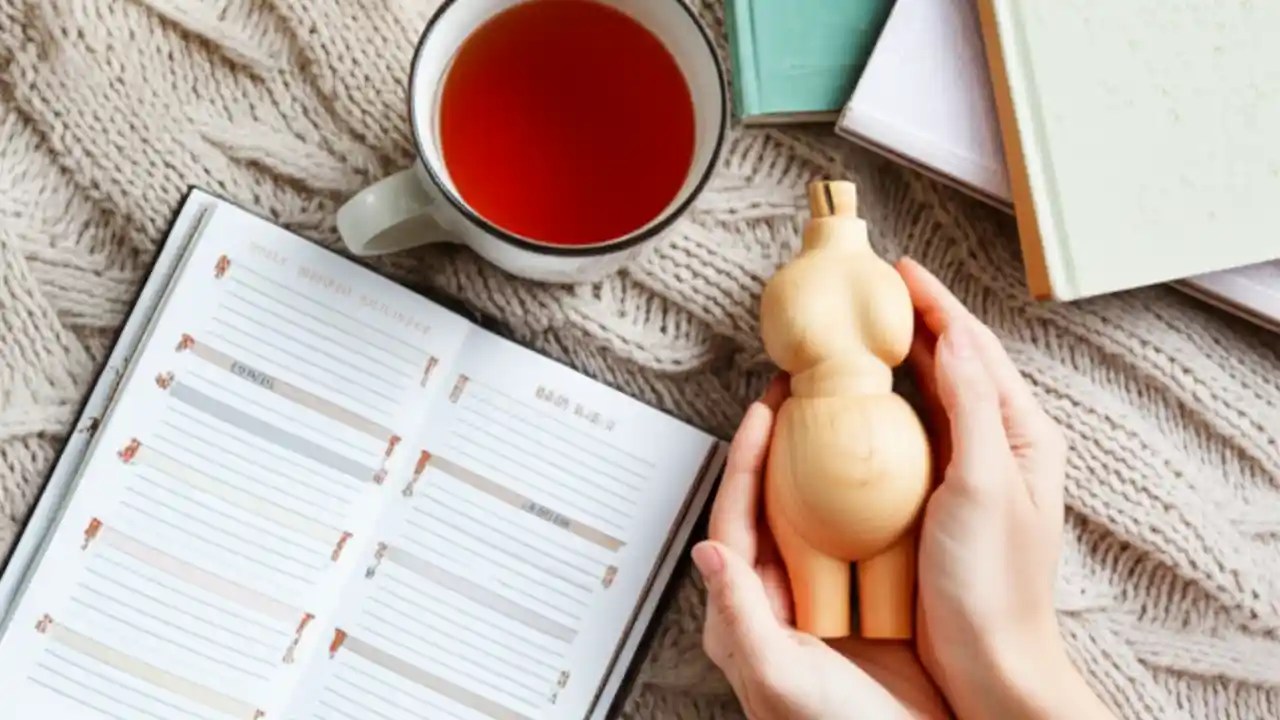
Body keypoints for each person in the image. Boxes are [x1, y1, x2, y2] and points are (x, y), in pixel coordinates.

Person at [694, 258, 1119, 720]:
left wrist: (1000, 651)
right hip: (808, 504)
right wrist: (1001, 657)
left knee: (882, 588)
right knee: (817, 603)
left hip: (890, 506)